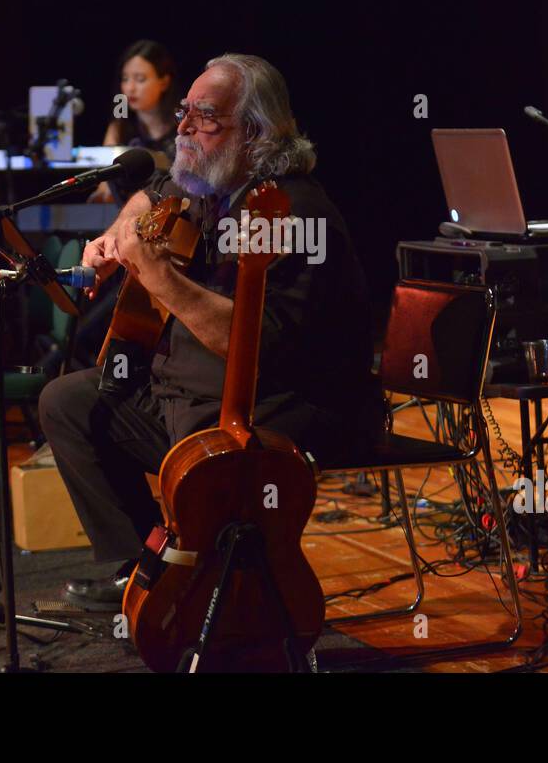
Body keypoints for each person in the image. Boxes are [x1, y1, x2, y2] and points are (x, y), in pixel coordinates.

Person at [39, 53, 381, 608]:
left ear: (256, 133)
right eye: (184, 113)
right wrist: (117, 236)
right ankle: (150, 563)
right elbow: (154, 187)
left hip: (283, 403)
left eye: (206, 118)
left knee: (202, 435)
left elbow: (257, 343)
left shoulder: (292, 214)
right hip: (191, 395)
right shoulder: (211, 187)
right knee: (71, 401)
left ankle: (216, 584)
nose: (184, 129)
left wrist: (154, 275)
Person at [88, 40, 181, 204]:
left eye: (140, 79)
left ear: (164, 82)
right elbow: (104, 187)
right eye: (125, 79)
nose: (130, 88)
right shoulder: (119, 128)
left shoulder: (182, 125)